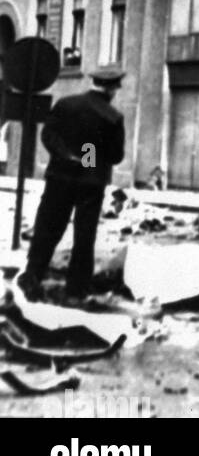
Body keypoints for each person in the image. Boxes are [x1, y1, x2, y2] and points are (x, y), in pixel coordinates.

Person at [19, 63, 126, 303]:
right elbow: (115, 155)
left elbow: (48, 135)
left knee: (47, 229)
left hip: (59, 178)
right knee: (84, 234)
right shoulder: (112, 117)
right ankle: (75, 290)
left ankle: (33, 277)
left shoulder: (66, 104)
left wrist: (67, 156)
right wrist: (87, 158)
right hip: (90, 183)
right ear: (111, 88)